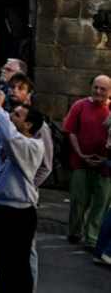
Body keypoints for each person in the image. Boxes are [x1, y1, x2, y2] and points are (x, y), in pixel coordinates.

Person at [0, 87, 44, 293]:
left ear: (28, 125)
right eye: (11, 113)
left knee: (18, 263)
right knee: (3, 260)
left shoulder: (32, 146)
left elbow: (12, 139)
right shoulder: (4, 135)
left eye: (17, 115)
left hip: (20, 212)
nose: (11, 116)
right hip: (0, 208)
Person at [62, 74, 111, 248]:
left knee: (100, 203)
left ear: (110, 92)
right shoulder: (80, 106)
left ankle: (92, 238)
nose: (98, 91)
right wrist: (81, 154)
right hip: (81, 162)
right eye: (95, 87)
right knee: (78, 200)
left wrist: (105, 158)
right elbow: (71, 131)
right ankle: (74, 232)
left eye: (103, 89)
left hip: (105, 167)